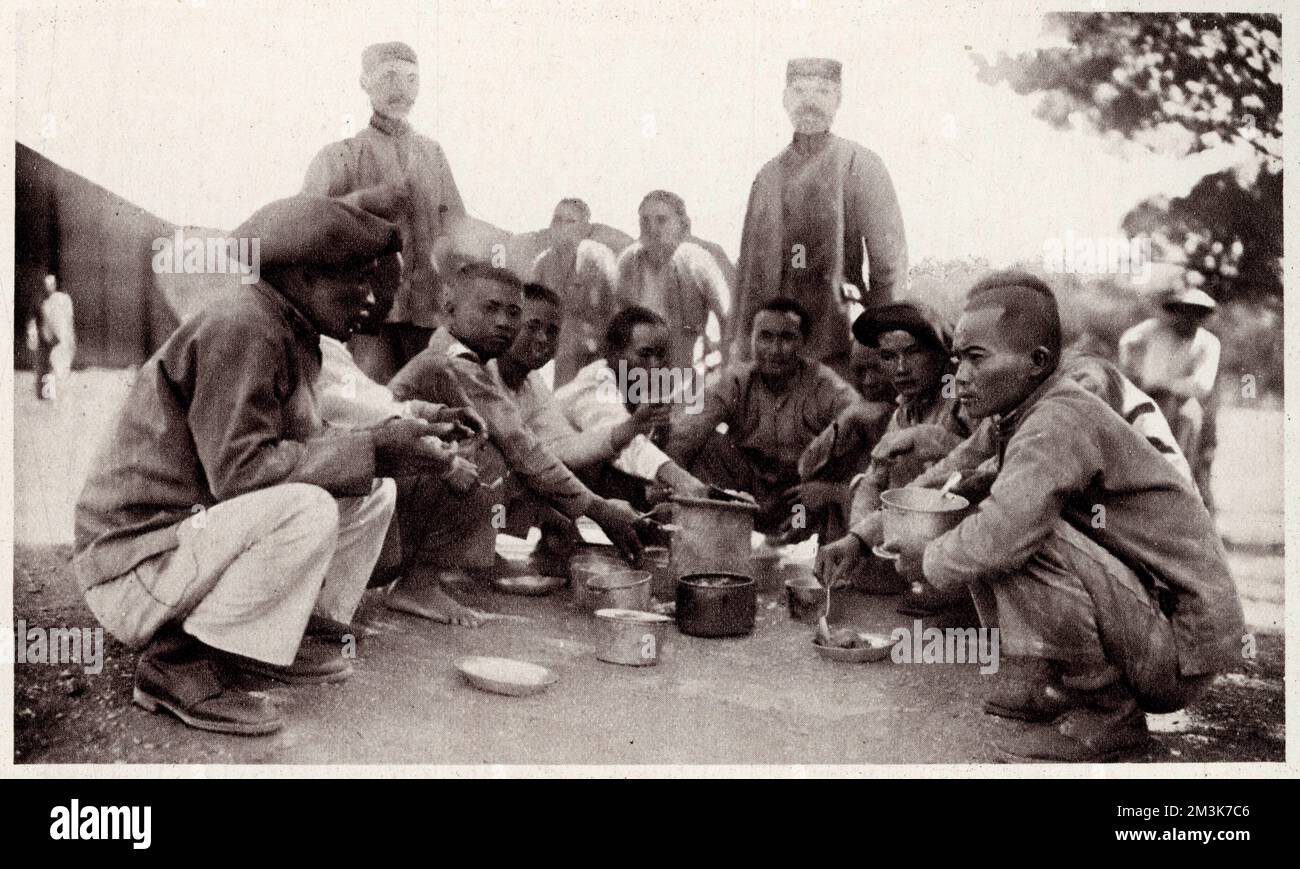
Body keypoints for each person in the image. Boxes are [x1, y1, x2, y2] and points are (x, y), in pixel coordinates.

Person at [73, 196, 466, 736]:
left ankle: (283, 633)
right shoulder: (243, 327)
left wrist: (394, 445)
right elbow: (241, 471)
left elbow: (304, 447)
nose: (372, 297)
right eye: (358, 279)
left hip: (180, 548)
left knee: (373, 490)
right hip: (134, 565)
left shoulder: (287, 329)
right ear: (305, 278)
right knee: (307, 507)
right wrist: (376, 446)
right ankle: (177, 662)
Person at [893, 271, 1243, 762]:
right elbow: (955, 473)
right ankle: (1054, 686)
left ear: (1037, 362)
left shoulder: (1058, 418)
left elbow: (1004, 532)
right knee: (985, 506)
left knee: (1014, 533)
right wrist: (865, 537)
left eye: (976, 358)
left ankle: (1109, 712)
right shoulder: (1024, 411)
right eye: (958, 360)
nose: (961, 377)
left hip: (1180, 649)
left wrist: (928, 561)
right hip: (1162, 632)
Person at [384, 263, 646, 620]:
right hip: (386, 508)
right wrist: (598, 510)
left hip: (397, 495)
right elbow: (520, 447)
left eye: (513, 312)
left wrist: (558, 512)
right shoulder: (452, 363)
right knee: (488, 453)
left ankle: (460, 565)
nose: (505, 322)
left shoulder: (465, 358)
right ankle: (418, 583)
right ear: (450, 307)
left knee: (502, 457)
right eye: (490, 309)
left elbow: (539, 448)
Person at [733, 57, 908, 377]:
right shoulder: (766, 177)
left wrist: (882, 341)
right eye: (800, 91)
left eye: (822, 91)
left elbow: (888, 264)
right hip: (772, 355)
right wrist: (742, 357)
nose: (810, 102)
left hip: (839, 343)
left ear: (838, 99)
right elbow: (748, 276)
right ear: (785, 99)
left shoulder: (859, 164)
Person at [303, 41, 466, 382]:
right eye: (389, 76)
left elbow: (456, 227)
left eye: (411, 79)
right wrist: (366, 199)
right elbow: (305, 224)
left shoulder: (433, 155)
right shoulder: (342, 155)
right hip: (366, 318)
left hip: (428, 315)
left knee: (429, 399)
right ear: (365, 82)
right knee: (372, 402)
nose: (401, 90)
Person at [814, 301, 972, 607]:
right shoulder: (904, 410)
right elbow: (876, 479)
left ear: (940, 352)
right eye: (888, 356)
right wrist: (856, 540)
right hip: (918, 531)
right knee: (861, 483)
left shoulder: (963, 397)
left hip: (963, 543)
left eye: (913, 352)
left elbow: (987, 460)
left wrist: (931, 439)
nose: (900, 368)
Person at [665, 297, 858, 534]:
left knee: (840, 461)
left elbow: (866, 428)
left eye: (787, 338)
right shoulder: (736, 382)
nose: (775, 350)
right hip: (745, 496)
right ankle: (715, 529)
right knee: (706, 445)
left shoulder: (824, 385)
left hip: (800, 501)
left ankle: (800, 539)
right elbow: (683, 436)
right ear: (752, 339)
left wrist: (832, 491)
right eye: (765, 337)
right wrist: (669, 488)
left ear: (804, 343)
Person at [537, 303, 710, 507]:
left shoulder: (638, 391)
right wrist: (681, 479)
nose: (655, 365)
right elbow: (623, 440)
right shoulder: (594, 384)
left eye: (661, 355)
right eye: (644, 354)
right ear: (613, 353)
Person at [1118, 287, 1221, 508]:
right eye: (1184, 312)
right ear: (1175, 312)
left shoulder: (1208, 343)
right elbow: (1126, 341)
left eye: (1195, 313)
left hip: (1185, 402)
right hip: (1149, 396)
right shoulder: (1154, 330)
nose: (1189, 318)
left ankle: (1181, 483)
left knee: (1189, 421)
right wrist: (1133, 371)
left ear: (1202, 317)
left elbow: (1202, 384)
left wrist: (1166, 385)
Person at [614, 191, 731, 379]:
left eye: (661, 220)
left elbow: (727, 317)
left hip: (688, 369)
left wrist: (725, 370)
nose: (652, 229)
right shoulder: (629, 261)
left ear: (682, 226)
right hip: (640, 371)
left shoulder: (696, 260)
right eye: (645, 221)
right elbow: (616, 318)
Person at [793, 342, 897, 544]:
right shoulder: (860, 411)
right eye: (860, 371)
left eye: (877, 369)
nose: (868, 380)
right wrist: (848, 417)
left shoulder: (909, 417)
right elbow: (805, 467)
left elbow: (895, 503)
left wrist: (834, 494)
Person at [527, 198, 620, 386]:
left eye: (570, 221)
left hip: (598, 347)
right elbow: (531, 308)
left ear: (585, 229)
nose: (562, 227)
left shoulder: (599, 258)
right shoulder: (542, 263)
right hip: (560, 346)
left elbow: (615, 307)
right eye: (557, 220)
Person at [27, 273, 75, 401]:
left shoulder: (59, 299)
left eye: (52, 284)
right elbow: (34, 319)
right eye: (48, 284)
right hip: (43, 336)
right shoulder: (40, 301)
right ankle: (44, 394)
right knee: (43, 364)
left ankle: (49, 393)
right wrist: (33, 335)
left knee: (52, 365)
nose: (50, 287)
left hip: (54, 337)